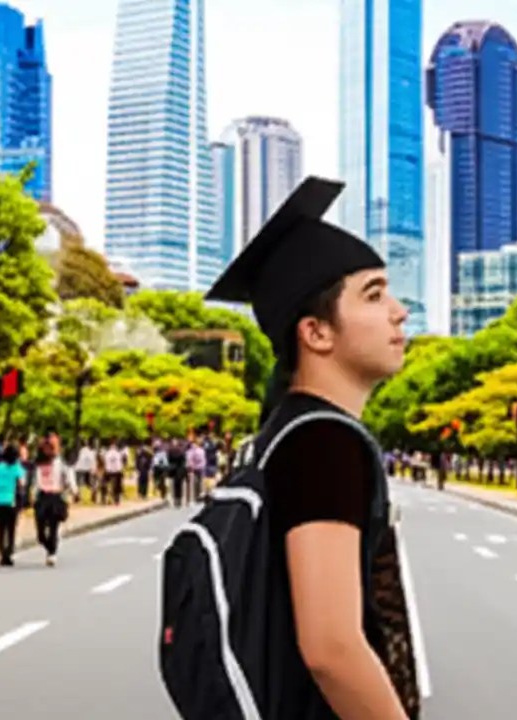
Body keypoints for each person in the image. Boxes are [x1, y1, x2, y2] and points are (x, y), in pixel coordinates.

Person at [199, 176, 418, 717]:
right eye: (373, 294)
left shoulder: (284, 434)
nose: (399, 311)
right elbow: (331, 648)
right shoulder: (324, 442)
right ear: (317, 333)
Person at [32, 438, 77, 566]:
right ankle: (47, 546)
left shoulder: (60, 463)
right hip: (42, 497)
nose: (47, 451)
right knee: (40, 533)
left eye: (49, 448)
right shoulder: (39, 463)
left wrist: (74, 491)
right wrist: (32, 494)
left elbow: (68, 476)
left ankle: (52, 552)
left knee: (53, 527)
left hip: (56, 496)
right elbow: (35, 480)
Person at [0, 443, 26, 566]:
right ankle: (9, 553)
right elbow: (22, 484)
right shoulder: (18, 469)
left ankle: (2, 553)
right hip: (11, 501)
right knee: (11, 529)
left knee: (0, 528)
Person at [102, 439, 124, 504]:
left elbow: (105, 462)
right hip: (117, 471)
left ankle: (104, 498)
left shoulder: (107, 453)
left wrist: (107, 469)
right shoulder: (118, 453)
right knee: (118, 485)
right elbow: (120, 463)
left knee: (104, 484)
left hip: (109, 471)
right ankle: (117, 498)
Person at [186, 438, 206, 503]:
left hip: (197, 468)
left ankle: (197, 496)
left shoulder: (190, 451)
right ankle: (198, 495)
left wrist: (191, 466)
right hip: (198, 468)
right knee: (198, 482)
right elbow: (203, 460)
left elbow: (189, 460)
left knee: (197, 482)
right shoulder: (201, 450)